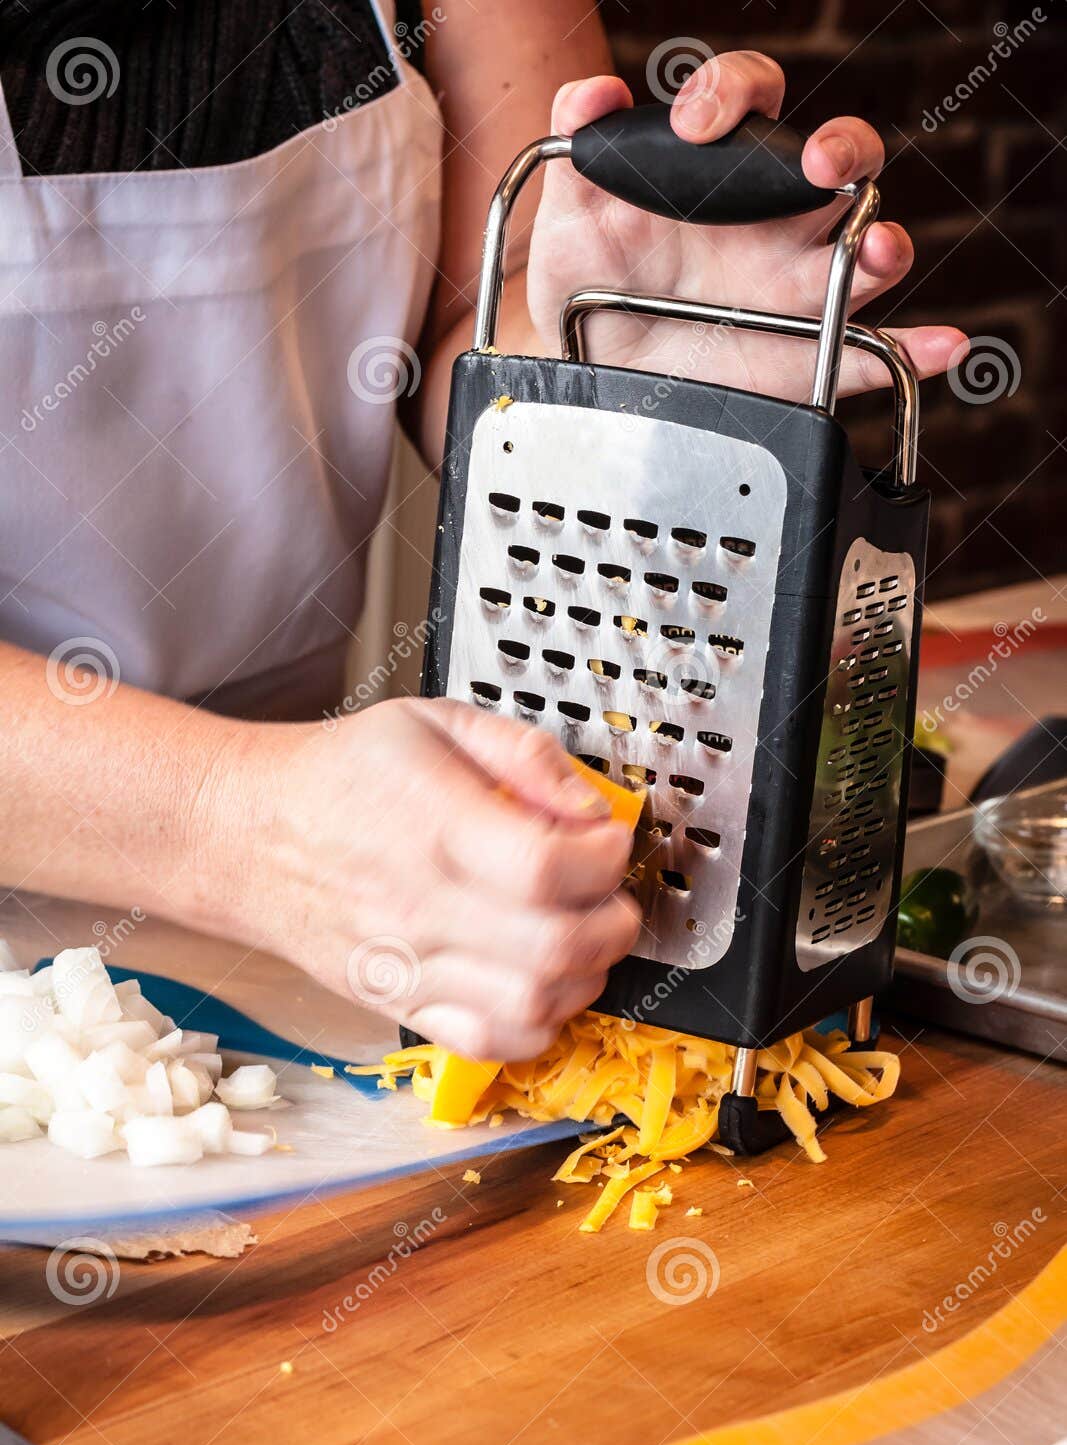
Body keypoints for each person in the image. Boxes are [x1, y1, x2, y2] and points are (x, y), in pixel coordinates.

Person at [0, 2, 964, 1061]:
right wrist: (238, 825)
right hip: (250, 849)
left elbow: (471, 317)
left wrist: (602, 365)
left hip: (353, 895)